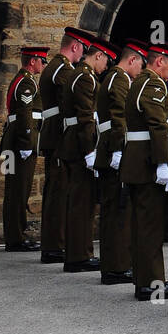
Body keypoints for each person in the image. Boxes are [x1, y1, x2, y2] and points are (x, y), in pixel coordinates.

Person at [121, 42, 168, 302]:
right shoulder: (153, 84)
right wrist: (162, 163)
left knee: (141, 224)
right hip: (147, 161)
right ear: (160, 61)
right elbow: (158, 126)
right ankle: (152, 284)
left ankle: (143, 279)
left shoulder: (141, 82)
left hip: (136, 160)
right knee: (150, 225)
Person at [95, 38, 146, 284]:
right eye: (141, 63)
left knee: (114, 209)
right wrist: (118, 149)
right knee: (117, 210)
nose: (142, 70)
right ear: (133, 59)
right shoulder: (120, 79)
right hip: (113, 149)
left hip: (109, 148)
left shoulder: (116, 78)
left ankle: (114, 264)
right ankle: (116, 267)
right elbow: (119, 118)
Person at [58, 33, 110, 272]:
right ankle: (79, 256)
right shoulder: (85, 78)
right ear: (98, 55)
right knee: (82, 202)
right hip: (79, 147)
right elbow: (85, 118)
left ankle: (79, 252)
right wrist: (90, 151)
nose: (105, 66)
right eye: (105, 60)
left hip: (73, 144)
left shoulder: (80, 75)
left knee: (80, 200)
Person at [37, 27, 88, 262]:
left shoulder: (56, 66)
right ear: (75, 46)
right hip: (58, 135)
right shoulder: (63, 69)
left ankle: (53, 244)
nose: (82, 56)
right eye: (82, 50)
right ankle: (54, 246)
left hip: (54, 134)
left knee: (56, 190)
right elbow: (74, 96)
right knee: (59, 191)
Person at [0, 46, 47, 251]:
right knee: (19, 190)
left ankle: (14, 236)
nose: (43, 65)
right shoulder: (26, 82)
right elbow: (26, 114)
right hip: (21, 144)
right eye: (42, 61)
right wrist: (28, 143)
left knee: (14, 190)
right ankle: (16, 238)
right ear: (33, 60)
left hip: (14, 142)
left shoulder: (22, 79)